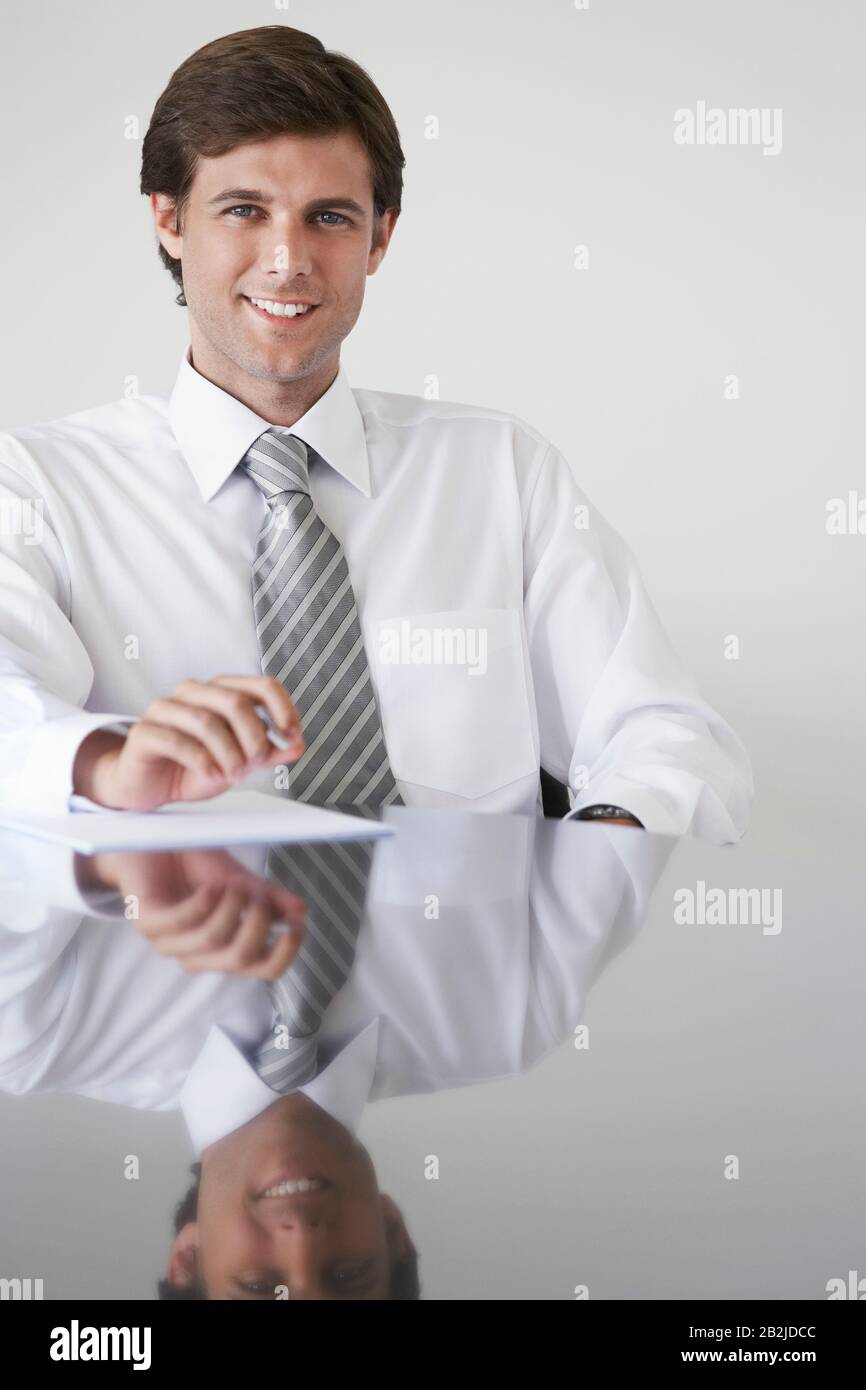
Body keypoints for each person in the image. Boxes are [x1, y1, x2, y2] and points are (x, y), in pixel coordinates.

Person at [0, 25, 753, 840]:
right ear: (170, 222)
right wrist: (103, 763)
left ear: (380, 237)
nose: (288, 260)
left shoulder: (503, 473)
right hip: (169, 954)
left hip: (463, 961)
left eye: (328, 216)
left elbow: (669, 741)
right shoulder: (39, 488)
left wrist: (592, 866)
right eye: (244, 210)